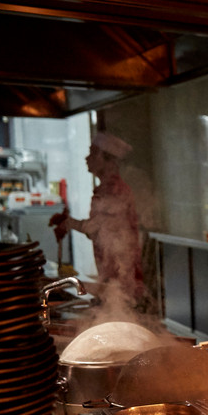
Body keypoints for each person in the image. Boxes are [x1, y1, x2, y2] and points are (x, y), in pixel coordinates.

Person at [51, 130, 145, 304]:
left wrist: (68, 222)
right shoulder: (106, 188)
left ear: (106, 159)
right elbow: (97, 231)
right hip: (112, 276)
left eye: (92, 153)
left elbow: (92, 228)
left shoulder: (114, 189)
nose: (87, 158)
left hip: (122, 277)